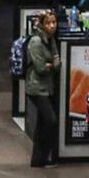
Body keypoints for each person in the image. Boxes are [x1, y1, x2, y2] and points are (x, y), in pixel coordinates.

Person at [25, 10, 60, 167]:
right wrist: (52, 64)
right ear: (41, 24)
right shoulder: (36, 41)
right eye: (48, 23)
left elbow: (56, 62)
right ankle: (44, 156)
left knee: (42, 122)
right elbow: (40, 68)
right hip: (36, 87)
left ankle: (38, 160)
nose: (52, 26)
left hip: (46, 87)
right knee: (50, 120)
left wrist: (52, 64)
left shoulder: (50, 39)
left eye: (54, 22)